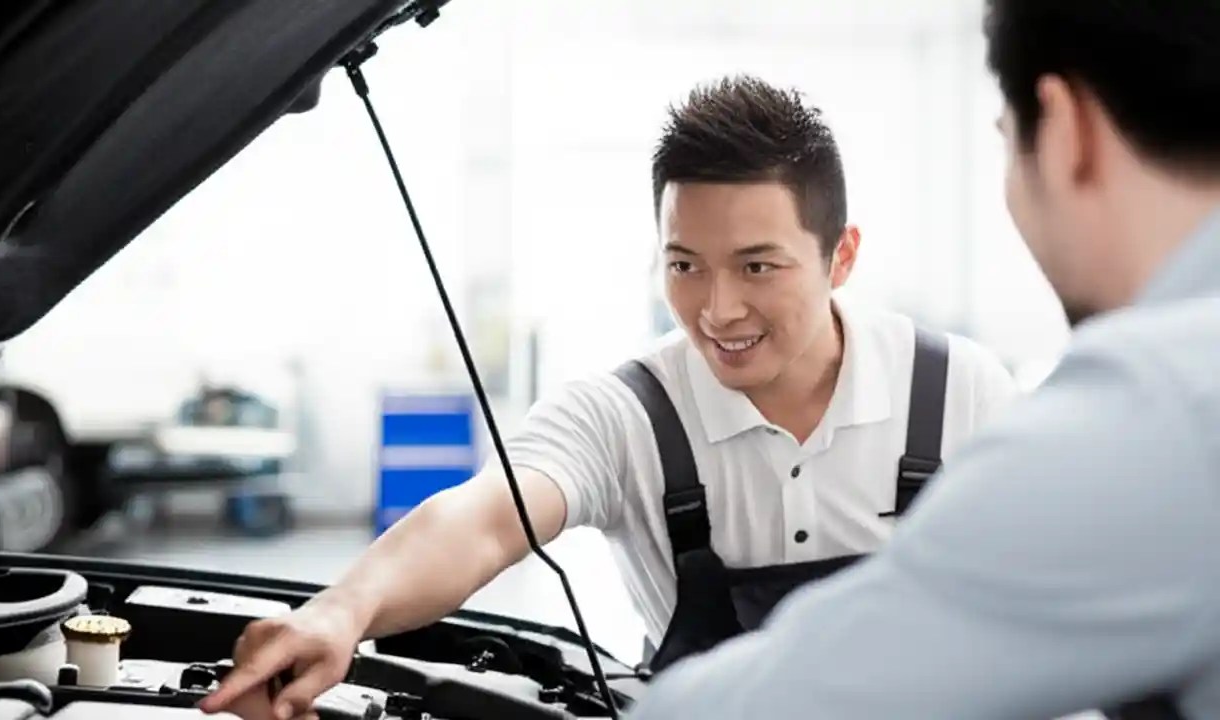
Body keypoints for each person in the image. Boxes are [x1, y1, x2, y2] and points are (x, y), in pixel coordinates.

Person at [199, 76, 1018, 720]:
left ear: (841, 256)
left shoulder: (958, 395)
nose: (716, 308)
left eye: (757, 266)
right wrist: (342, 612)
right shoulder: (626, 415)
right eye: (684, 263)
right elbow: (482, 520)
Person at [626, 3, 1220, 720]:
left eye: (1007, 142)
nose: (721, 309)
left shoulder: (1158, 413)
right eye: (686, 264)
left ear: (1066, 131)